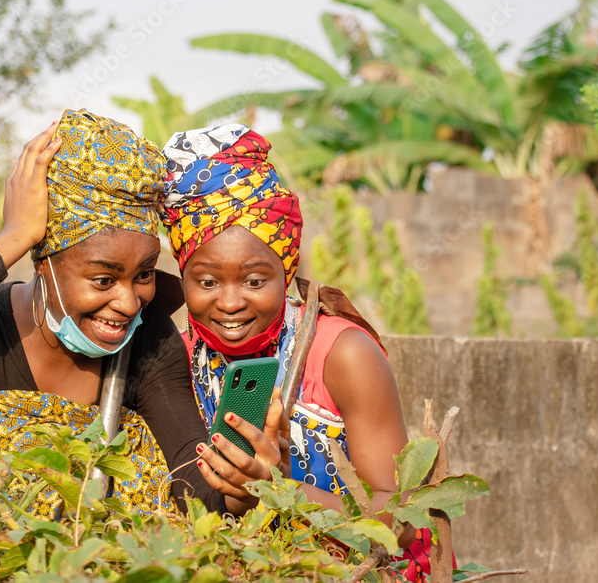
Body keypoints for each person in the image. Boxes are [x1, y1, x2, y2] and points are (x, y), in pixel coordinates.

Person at [0, 109, 281, 519]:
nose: (129, 303)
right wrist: (15, 235)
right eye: (102, 280)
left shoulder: (148, 340)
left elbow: (192, 483)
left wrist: (238, 490)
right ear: (45, 263)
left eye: (144, 274)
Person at [160, 122, 437, 581]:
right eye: (207, 282)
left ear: (286, 270)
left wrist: (280, 492)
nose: (230, 303)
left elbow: (405, 519)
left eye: (254, 281)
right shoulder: (180, 360)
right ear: (184, 277)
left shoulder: (342, 355)